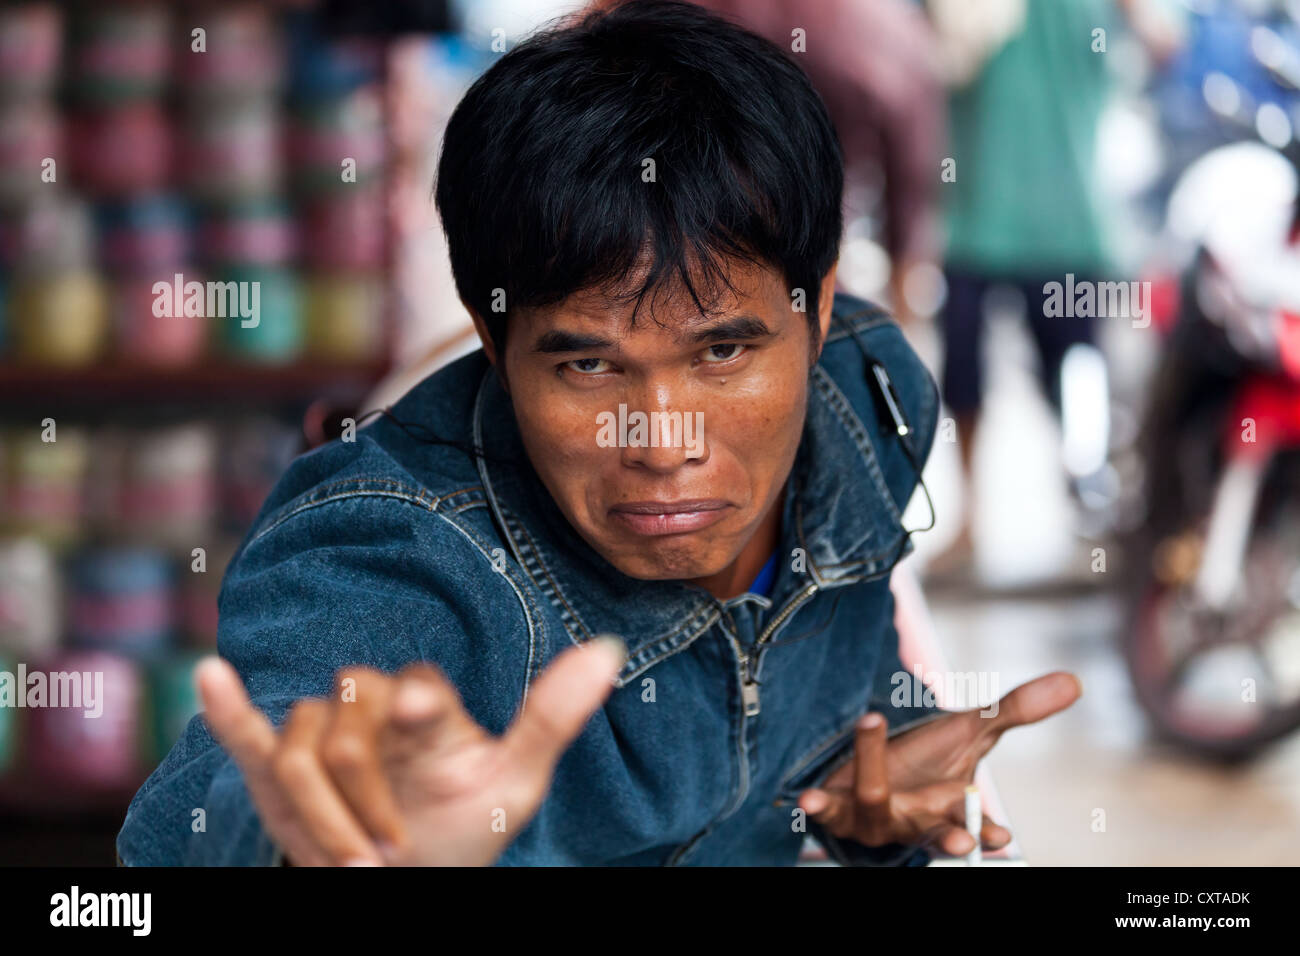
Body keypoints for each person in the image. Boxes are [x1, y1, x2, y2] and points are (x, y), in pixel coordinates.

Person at [117, 0, 1080, 867]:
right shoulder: (400, 556)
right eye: (588, 366)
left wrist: (869, 797)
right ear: (491, 337)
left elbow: (839, 664)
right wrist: (322, 844)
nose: (662, 443)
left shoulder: (868, 399)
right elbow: (213, 823)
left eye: (723, 354)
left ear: (819, 310)